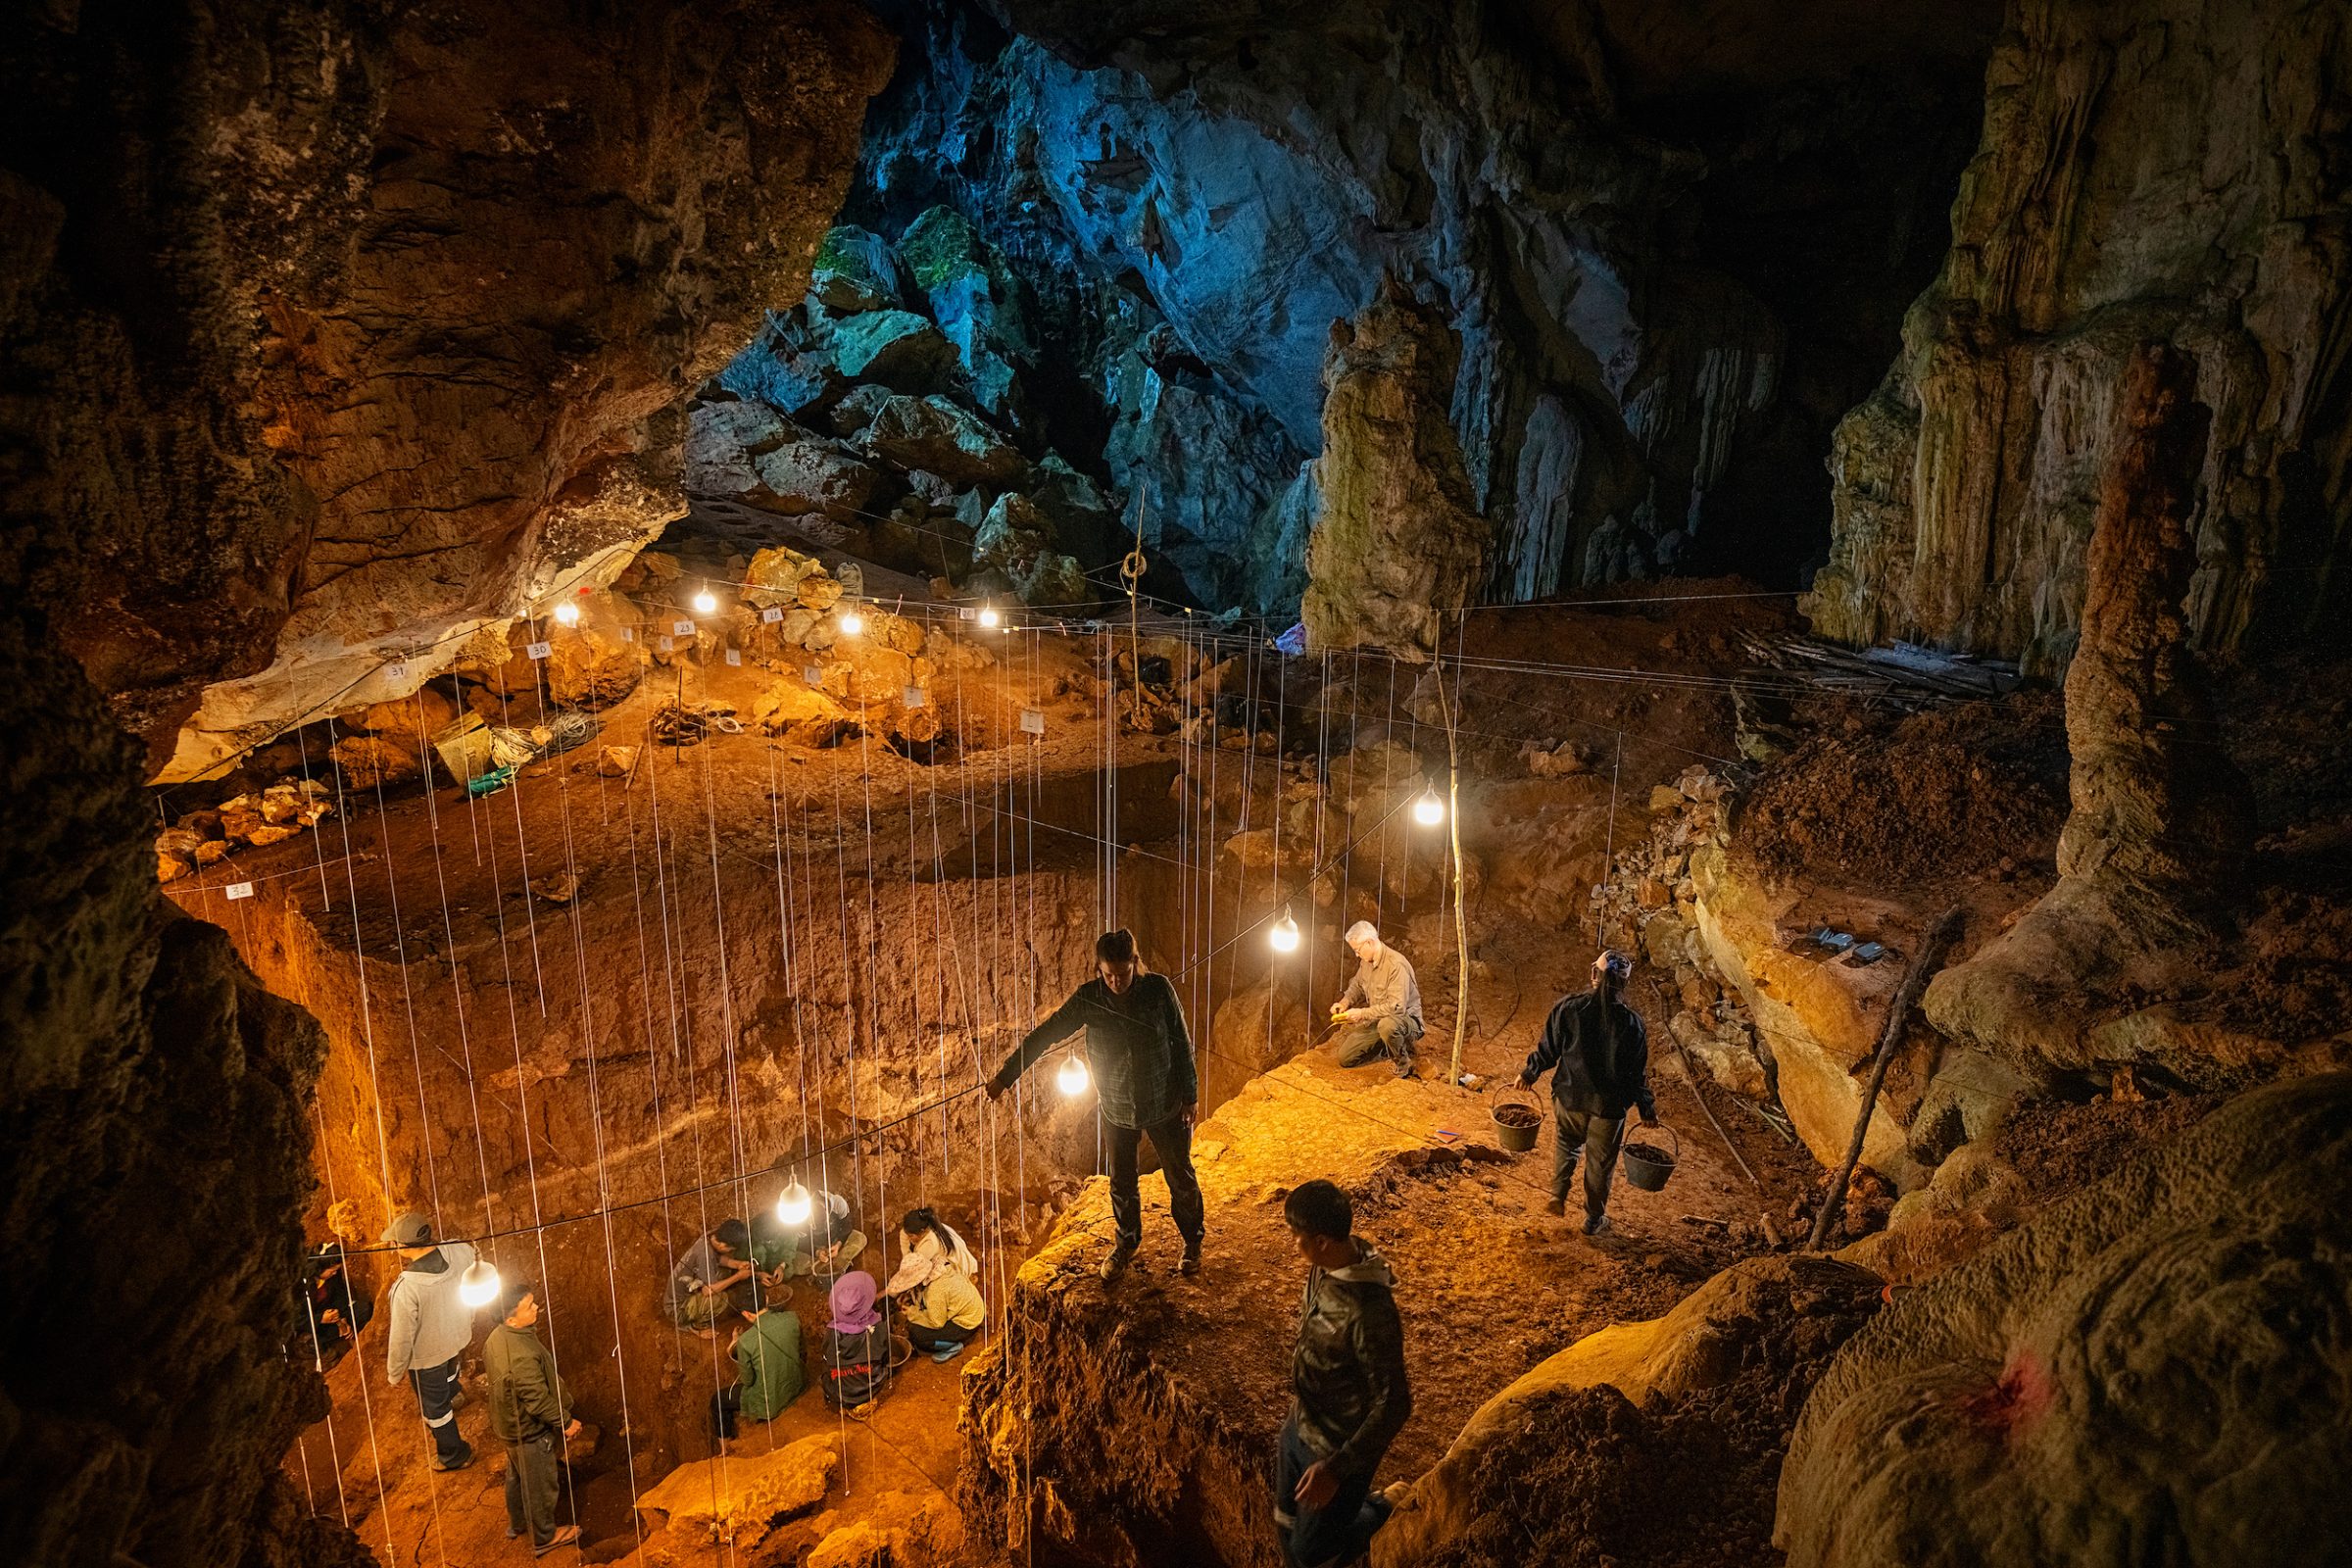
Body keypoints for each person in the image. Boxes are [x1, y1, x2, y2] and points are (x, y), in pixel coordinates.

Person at [986, 927, 1204, 1280]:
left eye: (1123, 974)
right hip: (1117, 1106)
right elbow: (1046, 1033)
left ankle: (1193, 1241)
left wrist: (1190, 1095)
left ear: (1136, 963)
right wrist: (1005, 1076)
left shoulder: (1158, 990)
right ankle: (1126, 1243)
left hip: (1165, 1100)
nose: (1116, 982)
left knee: (1179, 1175)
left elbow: (1181, 1040)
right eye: (1108, 975)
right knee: (1121, 1181)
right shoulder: (1090, 998)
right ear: (1098, 969)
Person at [1275, 1179, 1409, 1568]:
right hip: (1300, 1425)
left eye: (1296, 1236)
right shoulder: (1325, 1268)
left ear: (1321, 1241)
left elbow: (1395, 1402)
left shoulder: (1370, 1312)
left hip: (1336, 1446)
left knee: (1311, 1553)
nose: (1292, 1244)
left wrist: (1336, 1470)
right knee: (1285, 1522)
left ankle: (1382, 1510)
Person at [1518, 949, 1659, 1235]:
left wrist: (1529, 1073)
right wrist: (1646, 1107)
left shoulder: (1569, 1008)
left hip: (1570, 1097)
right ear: (1624, 984)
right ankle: (1593, 1219)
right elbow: (1636, 1073)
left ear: (1594, 974)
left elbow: (1549, 1048)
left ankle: (1558, 1194)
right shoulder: (1632, 1024)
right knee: (1600, 1163)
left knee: (1566, 1143)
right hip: (1608, 1109)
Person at [483, 1281, 581, 1556]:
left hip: (509, 1426)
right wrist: (566, 1422)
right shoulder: (522, 1357)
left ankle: (517, 1523)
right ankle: (545, 1537)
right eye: (529, 1305)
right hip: (529, 1432)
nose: (537, 1307)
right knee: (540, 1484)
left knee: (517, 1475)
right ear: (511, 1317)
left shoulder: (497, 1337)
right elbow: (537, 1400)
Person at [378, 1211, 480, 1472]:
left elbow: (401, 1337)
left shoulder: (407, 1289)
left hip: (428, 1355)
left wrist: (394, 1372)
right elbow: (476, 1265)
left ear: (404, 1246)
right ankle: (455, 1396)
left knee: (435, 1408)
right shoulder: (458, 1250)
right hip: (457, 1334)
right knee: (450, 1369)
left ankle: (454, 1454)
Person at [881, 1206, 985, 1362]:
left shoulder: (935, 1288)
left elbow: (937, 1322)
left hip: (967, 1321)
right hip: (971, 1307)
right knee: (921, 1317)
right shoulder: (935, 1263)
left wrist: (912, 1313)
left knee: (918, 1334)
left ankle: (952, 1346)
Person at [1328, 922, 1424, 1079]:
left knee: (1388, 1026)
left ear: (1370, 942)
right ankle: (1388, 1046)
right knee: (1346, 1057)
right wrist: (1344, 1002)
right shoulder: (1366, 962)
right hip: (1378, 1021)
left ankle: (1403, 1063)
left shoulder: (1395, 965)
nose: (1357, 955)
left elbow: (1397, 1008)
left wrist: (1361, 1013)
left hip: (1405, 1021)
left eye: (1357, 950)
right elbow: (1357, 984)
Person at [711, 1299, 805, 1439]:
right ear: (766, 1300)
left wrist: (734, 1344)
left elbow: (748, 1380)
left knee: (718, 1400)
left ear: (746, 1314)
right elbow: (802, 1351)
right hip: (797, 1385)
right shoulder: (791, 1317)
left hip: (771, 1402)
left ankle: (725, 1450)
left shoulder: (745, 1342)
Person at [820, 1271, 905, 1411]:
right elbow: (884, 1355)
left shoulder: (831, 1331)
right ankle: (864, 1399)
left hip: (841, 1393)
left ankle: (845, 1402)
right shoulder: (877, 1326)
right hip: (870, 1387)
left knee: (825, 1373)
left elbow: (825, 1356)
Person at [666, 1219, 755, 1339]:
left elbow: (716, 1257)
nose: (731, 1252)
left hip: (684, 1291)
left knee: (723, 1273)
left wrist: (737, 1264)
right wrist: (738, 1276)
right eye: (731, 1249)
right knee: (719, 1299)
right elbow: (708, 1291)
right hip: (677, 1309)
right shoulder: (704, 1256)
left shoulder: (711, 1236)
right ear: (723, 1245)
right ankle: (697, 1327)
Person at [293, 1240, 372, 1366]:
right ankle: (327, 1347)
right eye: (332, 1270)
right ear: (319, 1268)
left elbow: (341, 1297)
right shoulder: (300, 1285)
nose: (335, 1273)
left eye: (337, 1270)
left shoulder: (333, 1276)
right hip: (310, 1325)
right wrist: (320, 1319)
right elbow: (295, 1319)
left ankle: (334, 1339)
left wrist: (342, 1319)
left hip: (331, 1319)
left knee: (364, 1309)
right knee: (309, 1343)